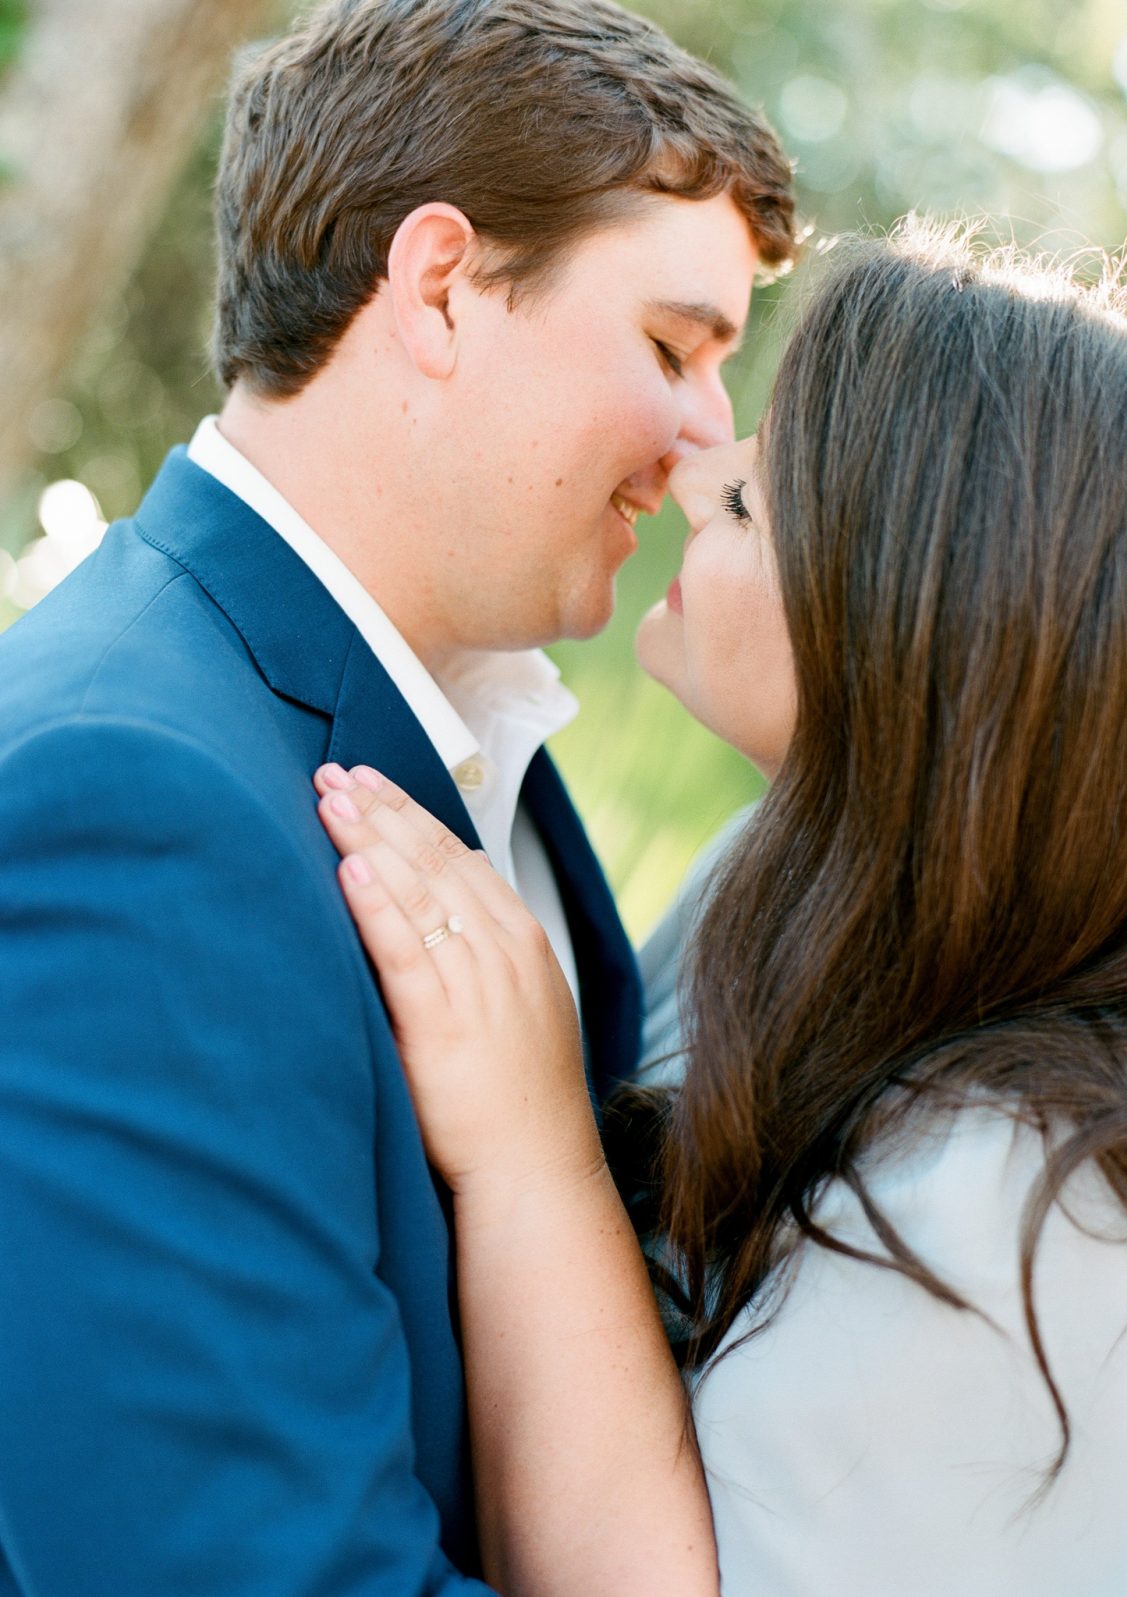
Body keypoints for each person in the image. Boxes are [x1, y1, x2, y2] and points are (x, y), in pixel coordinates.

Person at [0, 1, 796, 1590]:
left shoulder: (465, 731)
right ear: (438, 285)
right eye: (669, 348)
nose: (708, 435)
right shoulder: (128, 804)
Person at [314, 218, 1127, 1596]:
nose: (693, 464)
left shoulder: (1020, 1207)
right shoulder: (774, 881)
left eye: (752, 506)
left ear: (905, 649)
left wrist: (532, 1152)